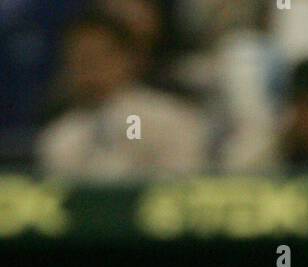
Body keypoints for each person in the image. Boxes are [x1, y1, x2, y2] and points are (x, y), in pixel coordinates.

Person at [36, 10, 206, 178]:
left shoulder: (170, 119)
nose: (90, 70)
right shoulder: (60, 136)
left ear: (128, 59)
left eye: (98, 58)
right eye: (80, 60)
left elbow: (183, 182)